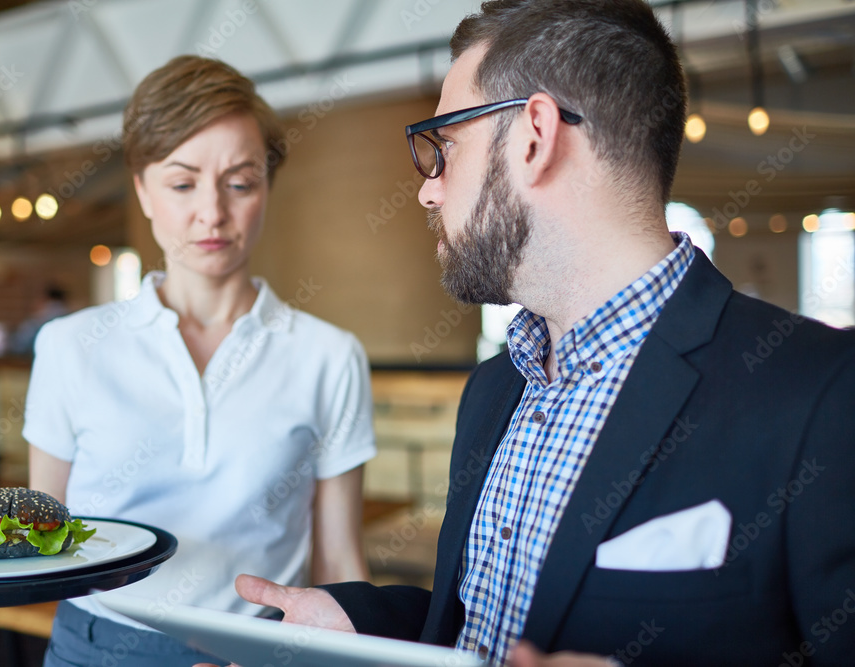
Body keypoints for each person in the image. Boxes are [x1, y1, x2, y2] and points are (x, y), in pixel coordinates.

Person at [212, 1, 855, 666]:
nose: (428, 192)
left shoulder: (824, 393)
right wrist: (360, 623)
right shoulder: (494, 389)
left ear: (534, 135)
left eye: (445, 148)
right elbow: (477, 621)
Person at [25, 55, 376, 667]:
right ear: (142, 190)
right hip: (97, 649)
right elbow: (42, 539)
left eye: (239, 183)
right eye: (183, 183)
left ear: (266, 188)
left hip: (261, 652)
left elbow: (340, 563)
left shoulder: (329, 357)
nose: (211, 213)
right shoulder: (69, 345)